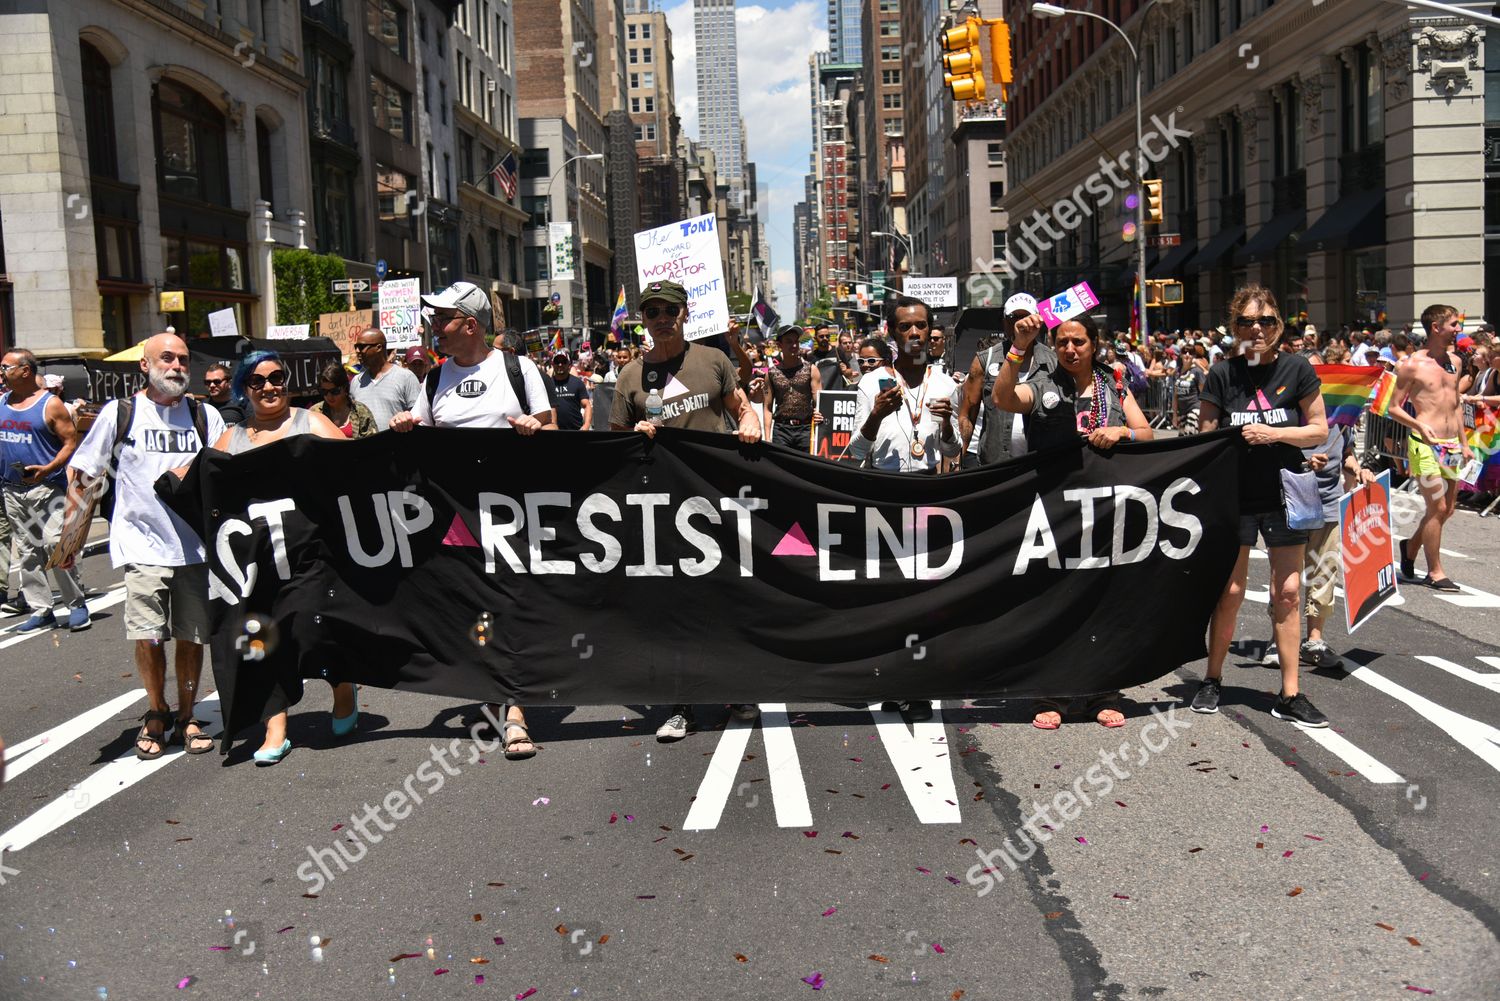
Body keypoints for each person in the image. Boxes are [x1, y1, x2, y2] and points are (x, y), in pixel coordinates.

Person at [390, 280, 551, 759]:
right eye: (434, 319)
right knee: (471, 611)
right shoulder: (434, 379)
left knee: (507, 606)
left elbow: (555, 433)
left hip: (511, 518)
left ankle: (515, 710)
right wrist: (404, 427)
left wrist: (532, 428)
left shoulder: (518, 370)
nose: (434, 327)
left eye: (443, 319)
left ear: (471, 324)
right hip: (452, 525)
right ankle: (496, 683)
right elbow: (420, 434)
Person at [608, 279, 762, 741]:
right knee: (673, 608)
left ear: (684, 313)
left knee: (724, 597)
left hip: (715, 501)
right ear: (645, 320)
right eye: (652, 311)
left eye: (669, 310)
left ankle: (737, 689)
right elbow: (613, 442)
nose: (661, 318)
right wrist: (635, 433)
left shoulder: (712, 361)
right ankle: (681, 705)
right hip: (661, 509)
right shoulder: (630, 376)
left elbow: (743, 407)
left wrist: (751, 423)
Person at [63, 332, 227, 758]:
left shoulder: (205, 416)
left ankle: (189, 715)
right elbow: (82, 472)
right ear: (145, 365)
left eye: (183, 360)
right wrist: (68, 541)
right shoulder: (122, 413)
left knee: (191, 638)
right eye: (167, 359)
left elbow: (229, 476)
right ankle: (157, 712)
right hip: (141, 546)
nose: (176, 366)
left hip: (196, 550)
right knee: (149, 635)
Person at [990, 315, 1152, 728]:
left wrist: (1121, 433)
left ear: (1093, 344)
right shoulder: (1044, 383)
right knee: (1052, 602)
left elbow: (1146, 434)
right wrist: (1018, 349)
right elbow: (1004, 400)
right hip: (1052, 512)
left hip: (1104, 512)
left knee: (1102, 602)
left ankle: (1102, 693)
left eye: (1078, 342)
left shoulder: (1114, 383)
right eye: (1062, 342)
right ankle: (1052, 695)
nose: (1070, 349)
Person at [1188, 286, 1331, 728]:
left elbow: (1319, 429)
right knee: (1229, 592)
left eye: (1267, 321)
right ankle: (1212, 678)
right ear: (1235, 329)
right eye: (1248, 322)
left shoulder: (1297, 368)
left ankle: (1290, 693)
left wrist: (1276, 436)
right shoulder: (1222, 374)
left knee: (1287, 592)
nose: (1258, 329)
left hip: (1285, 496)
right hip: (1234, 498)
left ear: (1279, 327)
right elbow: (1206, 438)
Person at [213, 351, 357, 764]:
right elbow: (207, 483)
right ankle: (275, 725)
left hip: (311, 553)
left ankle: (342, 685)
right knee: (264, 637)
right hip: (257, 560)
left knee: (310, 626)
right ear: (245, 389)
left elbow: (354, 466)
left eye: (276, 377)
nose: (269, 387)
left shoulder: (308, 422)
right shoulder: (232, 438)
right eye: (258, 381)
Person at [850, 296, 962, 724]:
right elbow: (857, 452)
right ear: (892, 334)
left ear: (931, 332)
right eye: (904, 328)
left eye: (920, 326)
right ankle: (890, 678)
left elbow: (954, 451)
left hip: (930, 493)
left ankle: (920, 684)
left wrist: (949, 424)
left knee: (925, 595)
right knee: (888, 594)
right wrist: (876, 417)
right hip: (883, 495)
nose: (913, 333)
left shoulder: (945, 385)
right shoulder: (870, 384)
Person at [0, 350, 90, 631]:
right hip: (12, 490)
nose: (1, 371)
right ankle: (41, 609)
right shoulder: (2, 402)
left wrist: (48, 468)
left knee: (55, 545)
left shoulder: (50, 405)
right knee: (27, 551)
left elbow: (69, 442)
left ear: (25, 371)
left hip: (47, 488)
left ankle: (76, 604)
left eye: (6, 366)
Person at [1388, 305, 1472, 590]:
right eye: (1453, 324)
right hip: (1424, 444)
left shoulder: (1456, 362)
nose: (1458, 329)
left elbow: (1456, 405)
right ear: (1436, 328)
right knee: (1436, 507)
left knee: (1447, 509)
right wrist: (1419, 425)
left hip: (1451, 446)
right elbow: (1393, 408)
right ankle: (1435, 571)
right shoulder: (1412, 365)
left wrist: (1464, 442)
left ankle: (1410, 549)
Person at [958, 293, 1055, 467]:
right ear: (1004, 322)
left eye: (1026, 317)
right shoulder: (984, 360)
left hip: (1041, 466)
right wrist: (957, 462)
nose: (1020, 323)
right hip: (995, 467)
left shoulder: (1054, 361)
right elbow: (967, 415)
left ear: (1037, 322)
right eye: (1013, 317)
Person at [763, 325, 822, 451]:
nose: (794, 345)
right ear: (779, 345)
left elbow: (820, 403)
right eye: (789, 342)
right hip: (781, 431)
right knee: (781, 469)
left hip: (806, 430)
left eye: (796, 341)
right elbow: (767, 407)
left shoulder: (811, 369)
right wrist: (767, 438)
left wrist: (820, 414)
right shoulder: (771, 373)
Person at [351, 327, 420, 431]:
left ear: (379, 347)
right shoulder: (356, 381)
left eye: (361, 347)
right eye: (356, 347)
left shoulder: (406, 377)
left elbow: (418, 416)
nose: (357, 351)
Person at [311, 362, 379, 439]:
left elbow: (372, 443)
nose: (329, 396)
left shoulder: (361, 412)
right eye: (324, 391)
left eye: (335, 391)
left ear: (345, 388)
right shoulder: (315, 413)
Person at [546, 351, 592, 431]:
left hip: (576, 431)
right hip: (554, 433)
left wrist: (586, 425)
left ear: (569, 365)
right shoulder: (547, 384)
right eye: (557, 362)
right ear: (552, 364)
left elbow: (587, 405)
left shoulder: (577, 383)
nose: (560, 364)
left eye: (563, 362)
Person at [1174, 342, 1210, 432]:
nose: (1187, 355)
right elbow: (1175, 397)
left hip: (1195, 409)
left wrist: (1204, 414)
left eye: (1190, 353)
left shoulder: (1197, 372)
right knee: (1183, 440)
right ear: (1181, 355)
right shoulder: (1178, 372)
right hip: (1182, 412)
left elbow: (1204, 394)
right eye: (1185, 352)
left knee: (1189, 434)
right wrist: (1174, 415)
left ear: (1193, 356)